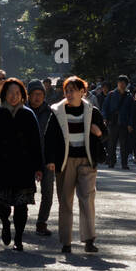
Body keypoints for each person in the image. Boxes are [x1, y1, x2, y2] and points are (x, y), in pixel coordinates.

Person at [43, 75, 106, 254]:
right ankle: (66, 242)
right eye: (67, 90)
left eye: (73, 90)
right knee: (65, 201)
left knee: (87, 200)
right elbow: (49, 138)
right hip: (65, 161)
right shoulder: (57, 112)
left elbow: (105, 134)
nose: (69, 94)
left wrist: (99, 132)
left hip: (87, 160)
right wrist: (50, 161)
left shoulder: (92, 112)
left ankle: (89, 240)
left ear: (82, 92)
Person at [0, 77, 44, 251]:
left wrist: (39, 167)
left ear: (22, 95)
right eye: (10, 93)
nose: (14, 96)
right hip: (1, 166)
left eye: (17, 93)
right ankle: (5, 224)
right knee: (1, 204)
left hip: (24, 167)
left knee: (21, 205)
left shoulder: (28, 114)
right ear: (4, 95)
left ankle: (18, 238)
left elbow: (36, 143)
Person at [27, 80, 56, 236]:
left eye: (40, 94)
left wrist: (53, 159)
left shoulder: (51, 112)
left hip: (47, 158)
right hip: (26, 158)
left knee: (48, 192)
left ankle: (41, 222)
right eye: (34, 94)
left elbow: (55, 137)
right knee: (23, 191)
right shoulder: (22, 111)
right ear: (28, 96)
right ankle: (21, 220)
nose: (37, 98)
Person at [102, 75, 134, 169]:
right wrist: (104, 118)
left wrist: (130, 124)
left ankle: (124, 163)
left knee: (124, 145)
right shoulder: (111, 94)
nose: (121, 85)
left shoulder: (129, 96)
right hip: (113, 122)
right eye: (120, 83)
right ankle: (111, 162)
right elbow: (105, 107)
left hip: (124, 123)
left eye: (123, 83)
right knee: (111, 144)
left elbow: (132, 112)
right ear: (117, 83)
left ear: (126, 84)